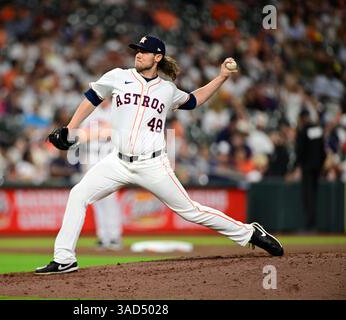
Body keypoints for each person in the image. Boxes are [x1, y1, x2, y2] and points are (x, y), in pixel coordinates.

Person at [36, 35, 284, 275]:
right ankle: (64, 259)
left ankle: (249, 233)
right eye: (137, 50)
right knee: (78, 194)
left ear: (158, 57)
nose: (138, 54)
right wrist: (70, 129)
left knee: (190, 211)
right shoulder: (118, 76)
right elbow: (91, 98)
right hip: (117, 161)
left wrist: (221, 77)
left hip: (152, 163)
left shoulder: (167, 89)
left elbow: (194, 100)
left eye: (144, 51)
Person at [79, 100, 123, 250]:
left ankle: (115, 236)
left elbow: (116, 133)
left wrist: (97, 133)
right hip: (92, 161)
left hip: (110, 159)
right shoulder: (91, 112)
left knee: (111, 200)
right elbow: (82, 137)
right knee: (97, 201)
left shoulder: (117, 110)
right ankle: (103, 237)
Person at [295, 109, 326, 232]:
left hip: (307, 167)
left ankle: (310, 225)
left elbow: (300, 150)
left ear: (302, 118)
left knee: (307, 196)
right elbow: (323, 150)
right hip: (317, 167)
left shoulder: (303, 130)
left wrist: (296, 165)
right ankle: (313, 224)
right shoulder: (317, 129)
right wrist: (321, 164)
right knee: (313, 194)